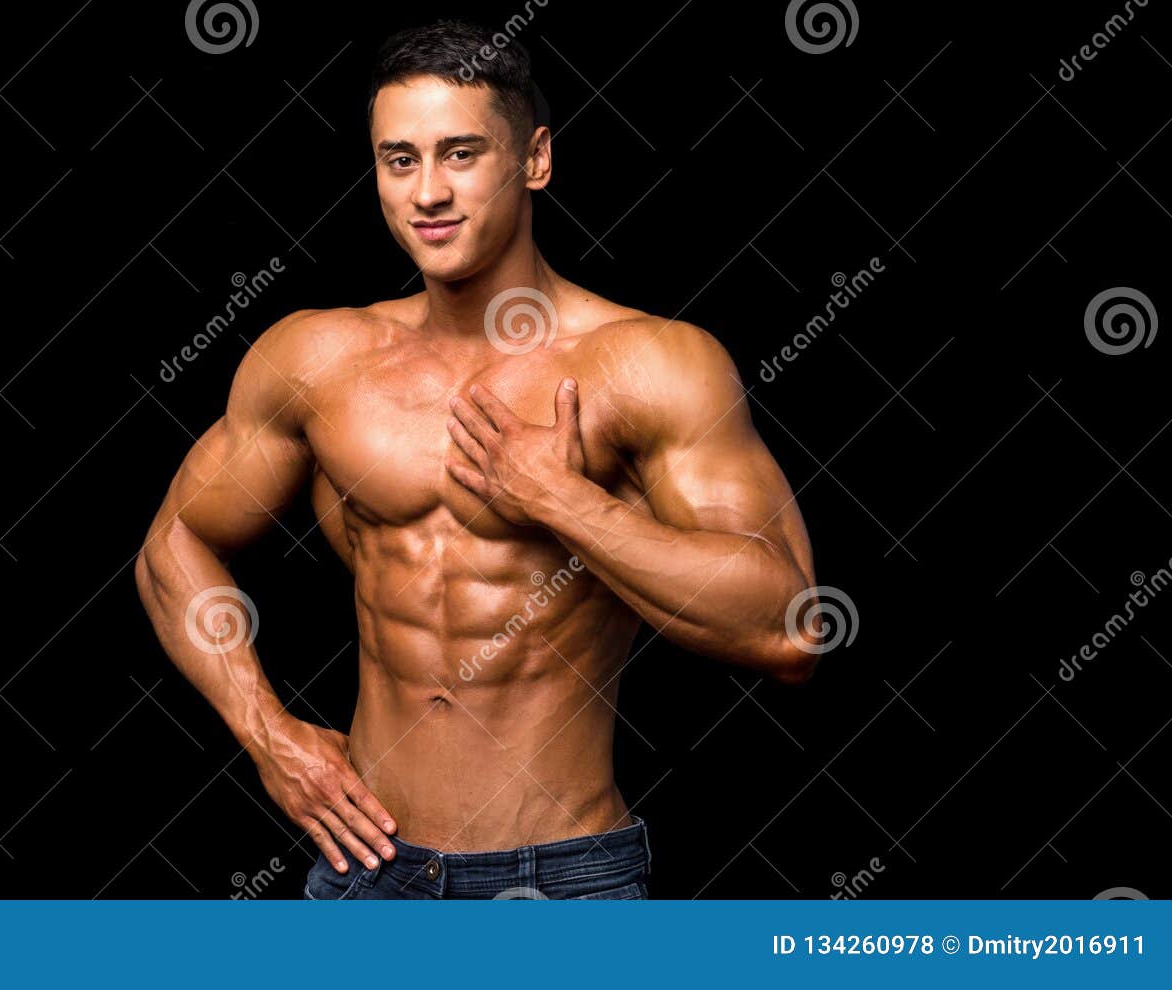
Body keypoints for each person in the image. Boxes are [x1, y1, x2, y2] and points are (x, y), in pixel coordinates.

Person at [135, 19, 818, 899]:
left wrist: (560, 499)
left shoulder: (649, 364)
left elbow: (789, 627)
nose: (428, 192)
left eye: (460, 154)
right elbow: (173, 546)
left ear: (534, 159)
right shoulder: (315, 358)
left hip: (564, 882)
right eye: (400, 159)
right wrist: (267, 733)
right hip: (366, 875)